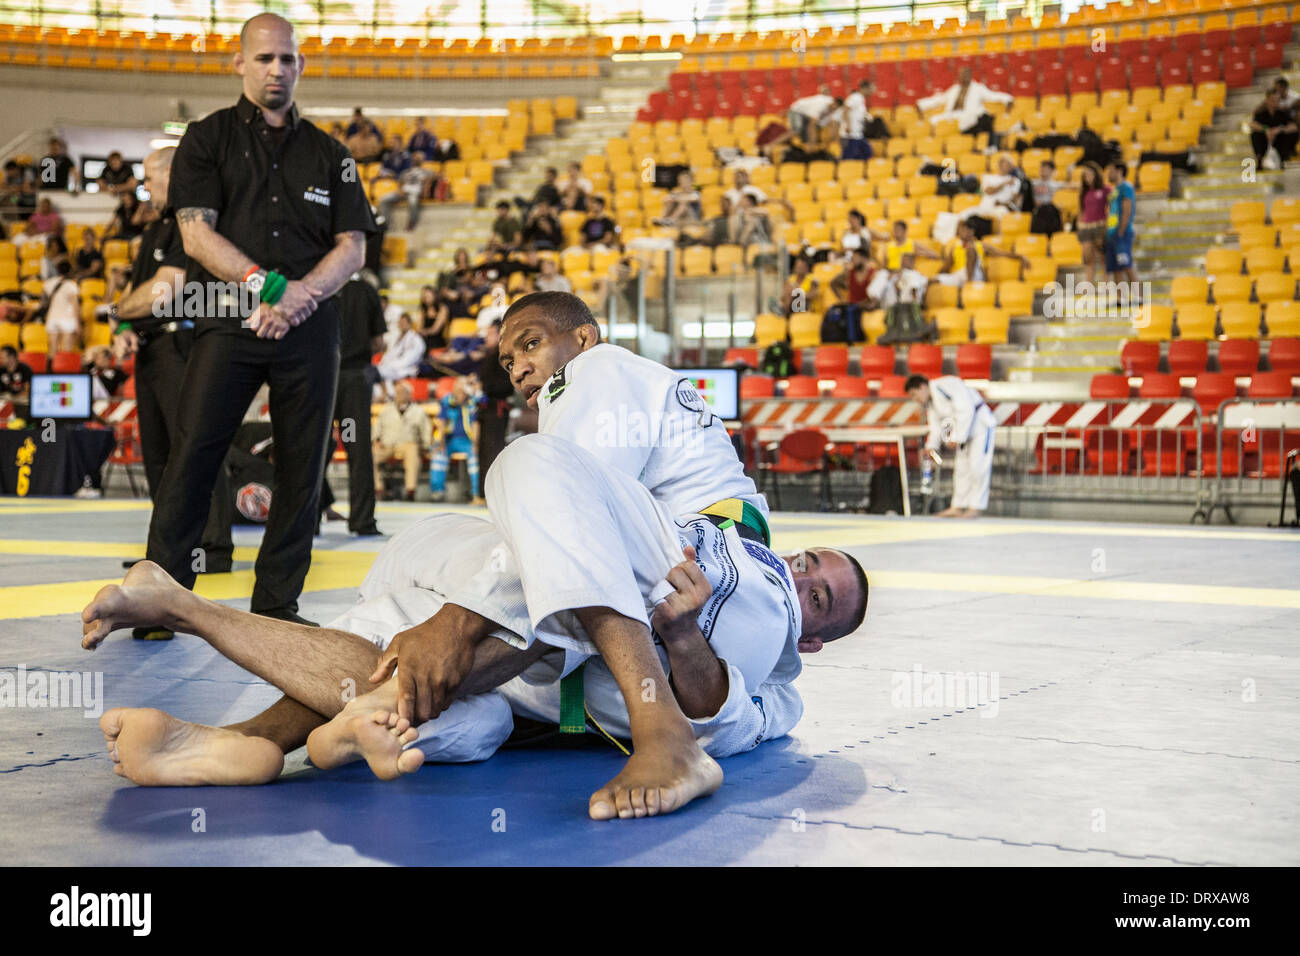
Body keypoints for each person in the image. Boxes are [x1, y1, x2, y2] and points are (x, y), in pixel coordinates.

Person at [82, 294, 868, 820]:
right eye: (508, 358)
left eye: (532, 343)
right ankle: (244, 723)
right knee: (434, 639)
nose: (521, 365)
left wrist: (457, 624)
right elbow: (556, 543)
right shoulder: (776, 671)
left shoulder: (606, 371)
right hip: (571, 674)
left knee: (523, 470)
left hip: (640, 614)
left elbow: (565, 496)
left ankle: (666, 739)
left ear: (584, 338)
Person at [82, 511, 864, 796]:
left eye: (819, 595)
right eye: (807, 561)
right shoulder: (721, 531)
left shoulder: (779, 692)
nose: (801, 577)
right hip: (492, 587)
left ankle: (252, 742)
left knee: (468, 729)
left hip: (522, 713)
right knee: (506, 618)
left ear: (815, 639)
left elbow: (716, 731)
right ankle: (186, 609)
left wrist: (687, 638)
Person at [142, 12, 376, 627]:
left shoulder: (331, 153)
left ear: (301, 65)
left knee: (304, 465)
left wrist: (299, 297)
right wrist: (270, 288)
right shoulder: (206, 138)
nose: (278, 69)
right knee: (194, 453)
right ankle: (160, 600)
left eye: (288, 59)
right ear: (239, 62)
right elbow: (195, 235)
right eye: (266, 58)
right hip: (227, 319)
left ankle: (277, 603)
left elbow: (353, 246)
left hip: (311, 323)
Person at [108, 148, 235, 623]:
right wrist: (124, 329)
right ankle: (167, 554)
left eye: (151, 179)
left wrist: (120, 313)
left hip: (183, 346)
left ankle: (214, 546)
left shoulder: (189, 225)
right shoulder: (155, 229)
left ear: (173, 176)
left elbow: (167, 290)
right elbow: (140, 296)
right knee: (161, 454)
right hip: (153, 349)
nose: (145, 188)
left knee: (195, 448)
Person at [323, 274, 386, 536]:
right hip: (354, 379)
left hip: (322, 377)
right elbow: (378, 342)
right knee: (358, 450)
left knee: (317, 450)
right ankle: (362, 521)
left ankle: (308, 519)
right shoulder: (367, 291)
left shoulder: (321, 283)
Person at [905, 373, 997, 518]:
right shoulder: (931, 404)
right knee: (961, 470)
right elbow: (937, 428)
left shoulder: (945, 385)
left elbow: (965, 409)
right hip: (962, 434)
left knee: (978, 467)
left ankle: (975, 507)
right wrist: (931, 447)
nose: (916, 400)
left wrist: (958, 437)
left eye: (915, 395)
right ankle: (957, 506)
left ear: (922, 387)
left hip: (980, 428)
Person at [371, 380, 431, 502]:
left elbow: (426, 430)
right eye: (398, 392)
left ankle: (410, 490)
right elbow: (377, 427)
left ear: (410, 394)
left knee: (413, 453)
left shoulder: (418, 411)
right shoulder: (386, 410)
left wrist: (425, 446)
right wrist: (376, 440)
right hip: (387, 444)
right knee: (369, 456)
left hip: (408, 444)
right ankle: (379, 488)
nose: (400, 395)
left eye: (404, 392)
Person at [917, 67, 1013, 138]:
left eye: (966, 74)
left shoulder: (978, 88)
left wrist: (1007, 99)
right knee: (934, 119)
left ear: (970, 76)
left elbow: (992, 95)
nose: (964, 76)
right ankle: (936, 141)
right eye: (962, 74)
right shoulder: (955, 89)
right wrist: (922, 105)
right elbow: (940, 99)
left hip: (968, 114)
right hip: (952, 114)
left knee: (968, 121)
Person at [475, 319, 513, 498]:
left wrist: (484, 388)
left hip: (496, 409)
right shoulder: (490, 356)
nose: (486, 337)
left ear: (499, 335)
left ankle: (492, 495)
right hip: (486, 409)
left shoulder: (503, 357)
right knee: (484, 451)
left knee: (493, 451)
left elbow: (507, 386)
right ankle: (483, 494)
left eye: (490, 333)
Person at [429, 374, 479, 501]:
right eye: (458, 387)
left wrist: (475, 444)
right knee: (438, 454)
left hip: (467, 441)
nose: (460, 391)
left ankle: (476, 493)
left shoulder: (473, 402)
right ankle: (437, 492)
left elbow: (475, 424)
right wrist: (440, 442)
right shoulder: (447, 401)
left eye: (463, 387)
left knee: (475, 458)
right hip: (449, 440)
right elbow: (441, 422)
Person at [936, 219, 1028, 287]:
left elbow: (1001, 253)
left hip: (976, 275)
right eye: (963, 229)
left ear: (973, 232)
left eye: (968, 229)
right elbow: (946, 267)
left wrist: (1020, 256)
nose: (965, 232)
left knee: (970, 249)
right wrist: (938, 275)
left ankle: (969, 283)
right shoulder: (954, 247)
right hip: (959, 276)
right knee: (933, 281)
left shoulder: (980, 245)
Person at [1104, 162, 1138, 286]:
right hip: (1111, 232)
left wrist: (1121, 231)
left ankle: (1138, 296)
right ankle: (1121, 298)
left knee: (1126, 264)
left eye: (1111, 170)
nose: (1108, 174)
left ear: (1119, 171)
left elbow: (1127, 209)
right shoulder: (1114, 190)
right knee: (1115, 268)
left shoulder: (1126, 187)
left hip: (1122, 232)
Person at [374, 312, 425, 392]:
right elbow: (389, 355)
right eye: (400, 323)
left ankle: (389, 395)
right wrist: (384, 364)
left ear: (410, 324)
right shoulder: (396, 338)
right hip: (392, 368)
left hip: (407, 369)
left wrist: (389, 366)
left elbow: (408, 360)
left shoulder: (416, 340)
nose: (401, 325)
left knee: (379, 372)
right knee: (374, 371)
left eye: (403, 323)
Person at [1077, 162, 1109, 285]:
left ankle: (1106, 284)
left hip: (1100, 226)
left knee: (1103, 259)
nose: (1088, 177)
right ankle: (1089, 284)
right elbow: (1081, 210)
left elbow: (1112, 209)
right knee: (1088, 259)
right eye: (1085, 175)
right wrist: (1080, 226)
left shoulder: (1105, 190)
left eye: (1090, 174)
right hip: (1086, 227)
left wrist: (1108, 225)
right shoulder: (1084, 192)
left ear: (1096, 175)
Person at [1250, 88, 1298, 168]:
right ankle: (1260, 159)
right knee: (1255, 134)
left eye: (1277, 100)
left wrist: (1280, 129)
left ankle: (1284, 158)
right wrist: (1266, 130)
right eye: (1273, 100)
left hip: (1279, 139)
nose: (1275, 102)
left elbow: (1294, 127)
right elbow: (1253, 124)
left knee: (1292, 134)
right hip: (1265, 139)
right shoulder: (1261, 112)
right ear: (1267, 100)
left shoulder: (1283, 112)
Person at [40, 259, 80, 353]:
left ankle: (51, 367)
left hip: (52, 318)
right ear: (70, 270)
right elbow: (75, 304)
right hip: (67, 318)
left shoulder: (48, 284)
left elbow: (43, 302)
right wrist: (78, 323)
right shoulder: (71, 285)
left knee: (52, 349)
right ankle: (64, 367)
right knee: (66, 349)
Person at [840, 79, 874, 160]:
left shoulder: (861, 99)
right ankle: (846, 169)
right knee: (848, 157)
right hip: (850, 134)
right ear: (864, 88)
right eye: (870, 89)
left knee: (867, 152)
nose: (871, 91)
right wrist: (848, 126)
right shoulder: (855, 97)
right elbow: (845, 109)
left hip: (858, 134)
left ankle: (855, 169)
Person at [1029, 159, 1064, 236]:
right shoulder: (1032, 183)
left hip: (1049, 212)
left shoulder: (1056, 184)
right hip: (1036, 211)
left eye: (1045, 168)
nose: (1042, 170)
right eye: (1041, 168)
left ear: (1052, 171)